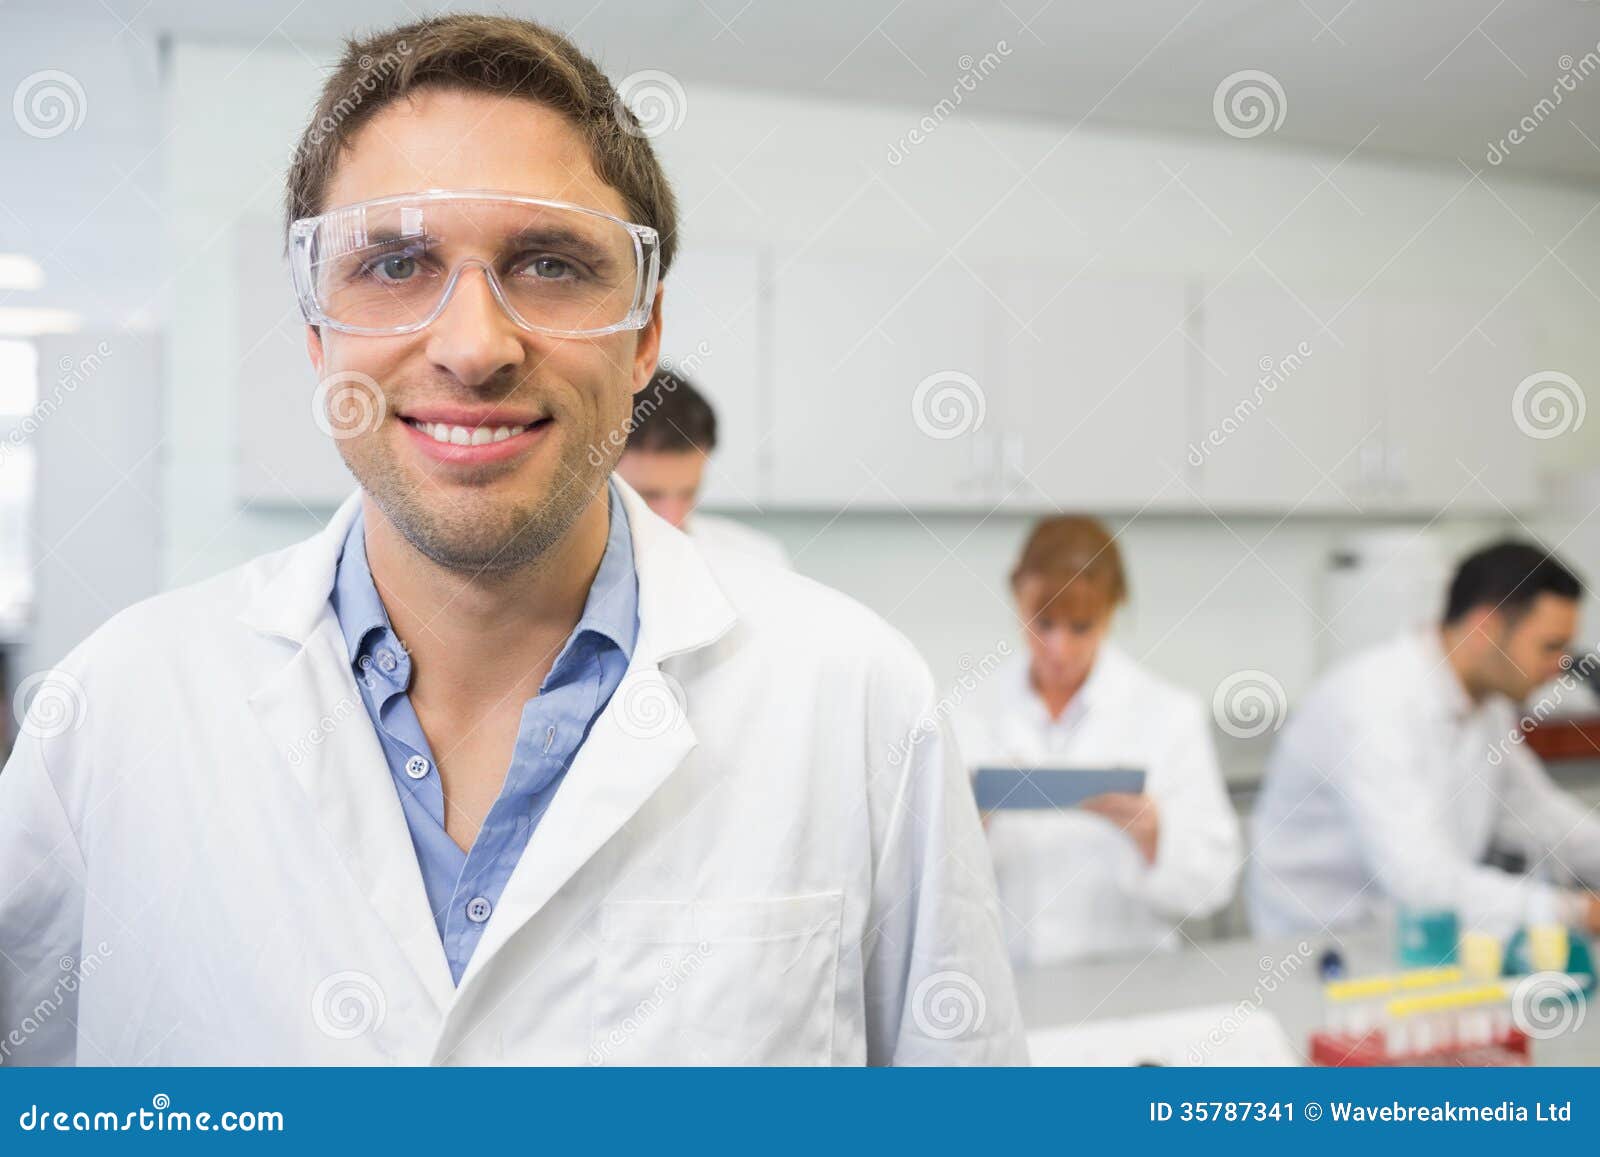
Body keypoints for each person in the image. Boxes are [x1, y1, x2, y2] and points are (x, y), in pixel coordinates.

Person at [0, 14, 1023, 1066]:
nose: (475, 346)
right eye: (395, 262)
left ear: (645, 337)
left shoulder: (857, 701)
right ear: (318, 334)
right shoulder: (119, 708)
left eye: (548, 263)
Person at [1249, 541, 1600, 940]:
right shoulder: (1376, 703)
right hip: (1322, 948)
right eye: (1550, 646)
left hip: (1413, 939)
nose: (1562, 665)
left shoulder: (1487, 704)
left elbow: (1539, 814)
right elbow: (1422, 882)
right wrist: (1574, 910)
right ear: (1486, 628)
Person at [951, 516, 1241, 966]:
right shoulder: (966, 711)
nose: (1058, 649)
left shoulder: (1168, 715)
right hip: (1009, 984)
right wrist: (960, 829)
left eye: (1081, 627)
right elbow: (925, 885)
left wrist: (1155, 836)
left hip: (1128, 980)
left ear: (1112, 612)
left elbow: (1214, 884)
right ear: (1016, 596)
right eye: (1041, 623)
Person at [614, 369, 790, 568]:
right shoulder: (576, 578)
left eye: (688, 493)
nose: (673, 521)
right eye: (647, 497)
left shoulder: (760, 561)